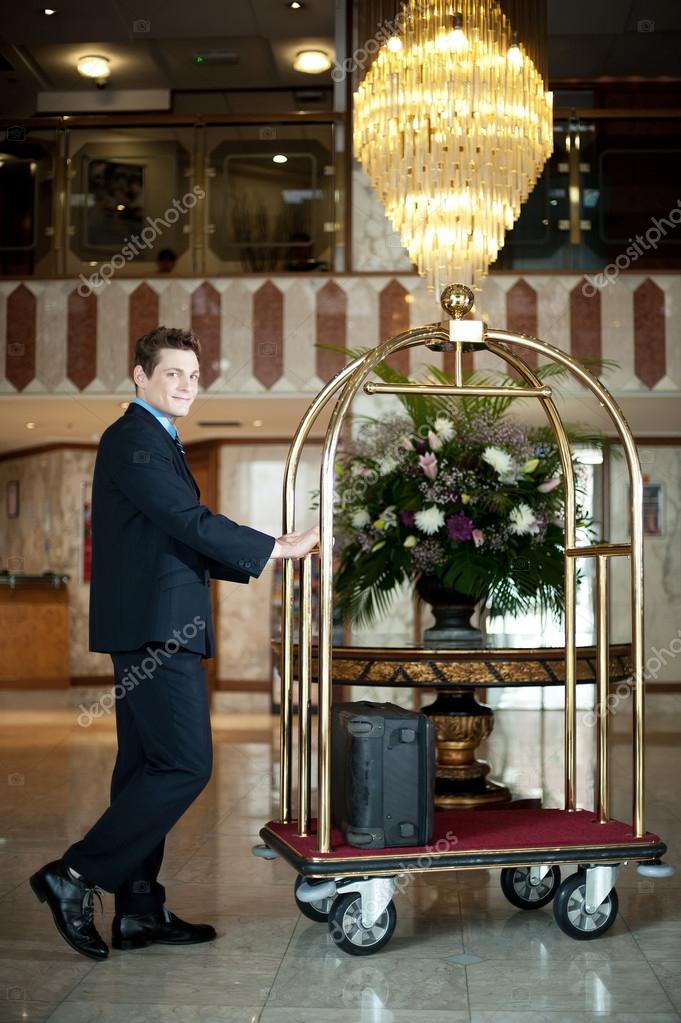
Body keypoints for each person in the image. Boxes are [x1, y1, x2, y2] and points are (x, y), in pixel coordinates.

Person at [30, 326, 319, 960]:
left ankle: (138, 910)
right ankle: (74, 875)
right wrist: (274, 547)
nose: (187, 385)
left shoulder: (155, 439)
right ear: (140, 375)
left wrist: (266, 549)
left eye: (193, 375)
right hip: (156, 630)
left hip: (154, 625)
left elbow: (174, 534)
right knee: (186, 763)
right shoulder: (135, 438)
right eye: (173, 374)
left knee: (144, 768)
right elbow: (187, 521)